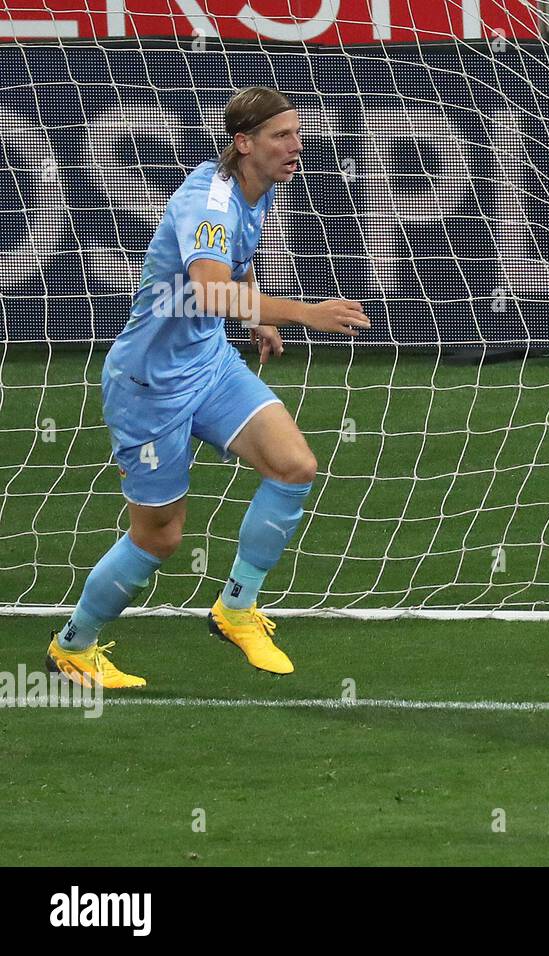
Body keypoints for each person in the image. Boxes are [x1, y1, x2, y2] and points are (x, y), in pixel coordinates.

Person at [45, 87, 369, 688]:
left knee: (294, 465)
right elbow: (210, 292)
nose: (297, 147)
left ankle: (236, 607)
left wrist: (261, 317)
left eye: (298, 134)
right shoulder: (208, 201)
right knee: (161, 536)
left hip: (209, 363)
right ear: (244, 144)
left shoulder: (256, 187)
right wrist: (304, 312)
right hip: (148, 387)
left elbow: (235, 270)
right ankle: (74, 644)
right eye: (282, 137)